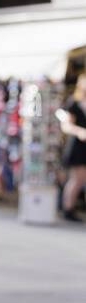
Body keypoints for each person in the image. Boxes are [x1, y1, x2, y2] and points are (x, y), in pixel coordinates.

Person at [56, 76, 86, 222]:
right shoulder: (74, 103)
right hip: (78, 147)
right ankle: (68, 208)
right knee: (77, 179)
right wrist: (80, 131)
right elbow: (66, 126)